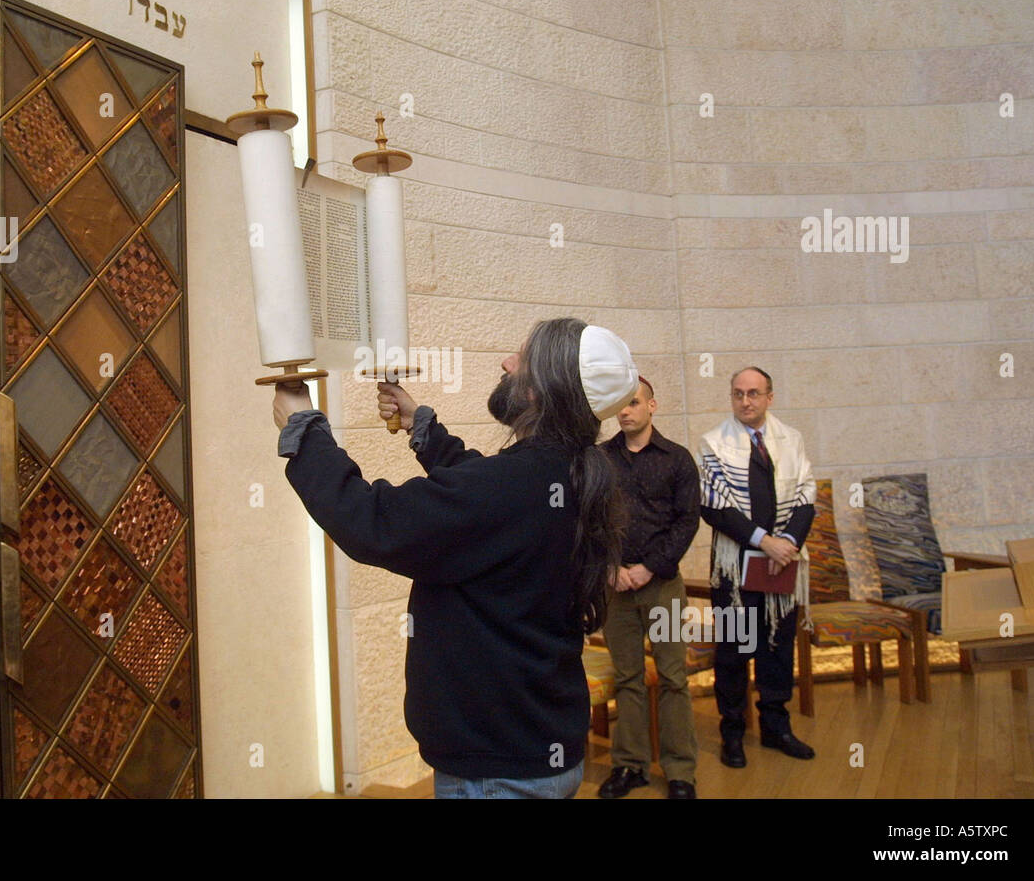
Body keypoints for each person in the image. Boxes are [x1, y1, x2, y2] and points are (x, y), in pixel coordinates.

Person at [272, 318, 638, 798]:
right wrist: (420, 425)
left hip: (496, 770)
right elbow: (485, 500)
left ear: (543, 390)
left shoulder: (515, 485)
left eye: (521, 357)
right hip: (536, 746)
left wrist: (304, 430)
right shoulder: (570, 470)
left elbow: (373, 522)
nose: (506, 363)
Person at [698, 367, 816, 768]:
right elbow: (715, 506)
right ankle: (732, 731)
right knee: (733, 649)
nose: (745, 401)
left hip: (781, 563)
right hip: (735, 568)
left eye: (753, 393)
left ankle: (776, 728)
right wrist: (765, 542)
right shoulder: (714, 443)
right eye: (737, 394)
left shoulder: (792, 440)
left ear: (770, 396)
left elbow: (806, 496)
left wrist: (788, 544)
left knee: (777, 647)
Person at [596, 376, 701, 799]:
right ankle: (630, 766)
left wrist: (648, 569)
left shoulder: (677, 459)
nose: (626, 411)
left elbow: (687, 520)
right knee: (628, 678)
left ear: (652, 406)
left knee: (674, 677)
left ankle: (680, 772)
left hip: (661, 586)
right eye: (620, 404)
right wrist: (610, 568)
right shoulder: (599, 460)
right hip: (614, 587)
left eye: (634, 403)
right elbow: (589, 520)